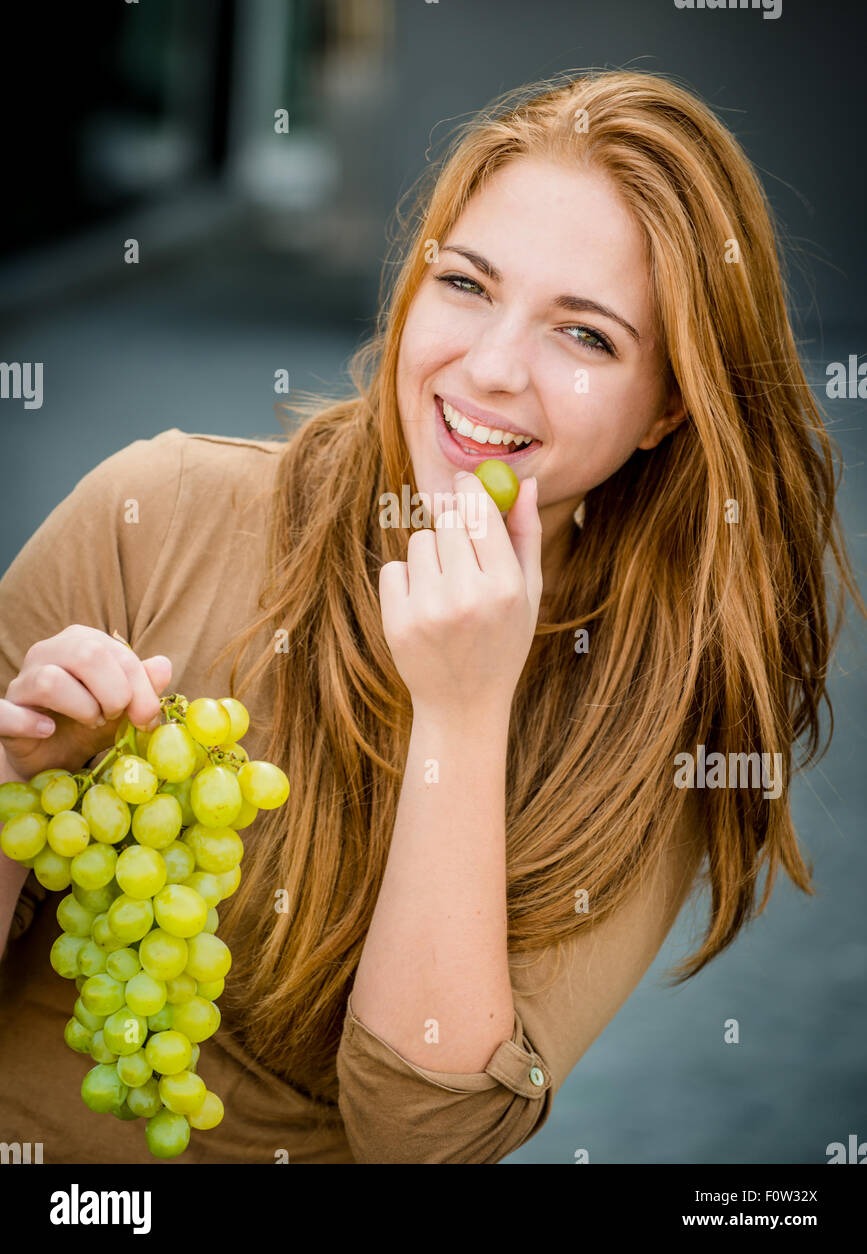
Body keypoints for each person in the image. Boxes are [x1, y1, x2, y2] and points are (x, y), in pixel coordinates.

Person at [0, 69, 862, 1165]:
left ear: (670, 409)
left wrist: (461, 714)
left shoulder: (657, 719)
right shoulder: (153, 512)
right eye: (466, 284)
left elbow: (427, 1138)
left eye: (586, 336)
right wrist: (19, 778)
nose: (492, 369)